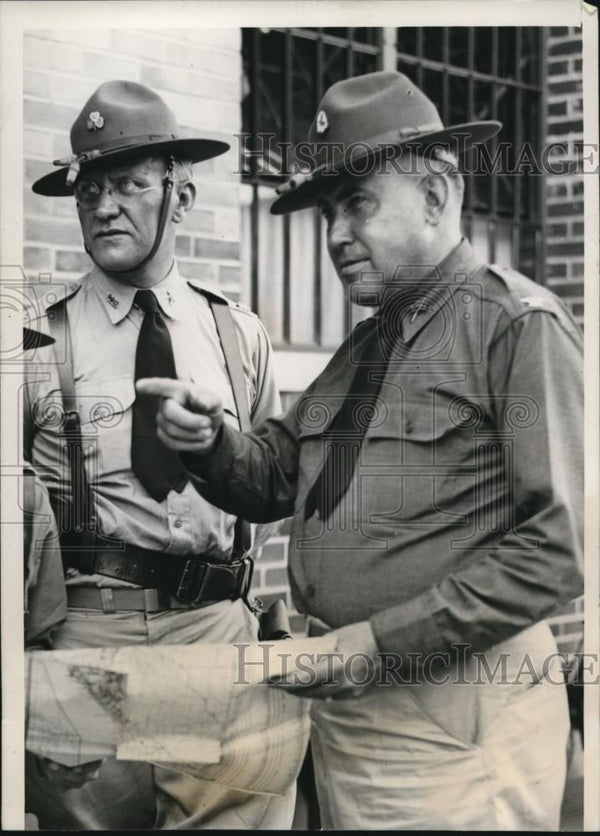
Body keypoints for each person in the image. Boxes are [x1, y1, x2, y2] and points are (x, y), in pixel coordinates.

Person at [139, 71, 584, 830]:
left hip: (454, 721)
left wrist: (373, 646)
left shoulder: (514, 327)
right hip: (351, 716)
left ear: (437, 196)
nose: (336, 234)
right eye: (328, 213)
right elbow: (277, 475)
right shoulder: (367, 345)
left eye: (359, 204)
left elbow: (556, 550)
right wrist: (209, 442)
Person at [23, 79, 293, 830]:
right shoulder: (37, 342)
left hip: (214, 633)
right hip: (87, 637)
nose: (103, 206)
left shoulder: (237, 335)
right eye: (88, 191)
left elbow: (273, 483)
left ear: (182, 197)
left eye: (129, 186)